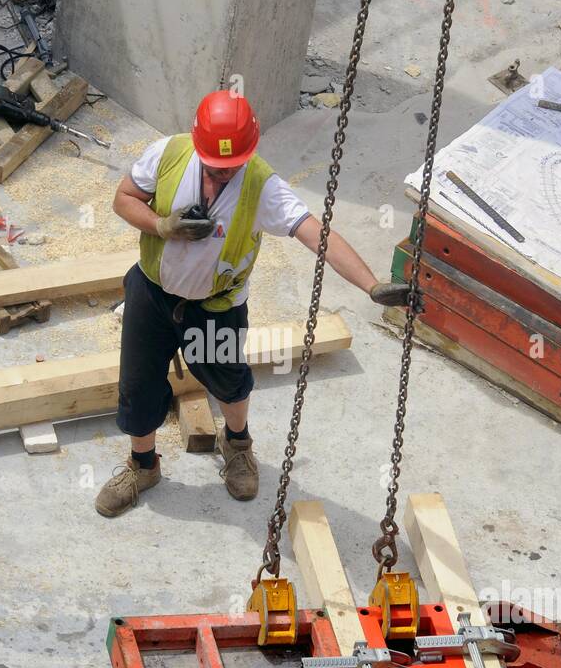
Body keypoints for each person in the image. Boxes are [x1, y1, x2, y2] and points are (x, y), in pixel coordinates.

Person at [95, 90, 408, 517]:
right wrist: (160, 225)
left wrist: (370, 285)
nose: (224, 175)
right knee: (138, 383)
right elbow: (123, 198)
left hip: (215, 307)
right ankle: (143, 466)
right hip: (152, 292)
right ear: (197, 142)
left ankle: (237, 444)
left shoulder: (262, 186)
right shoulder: (167, 153)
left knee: (228, 380)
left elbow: (317, 234)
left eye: (233, 166)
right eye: (215, 166)